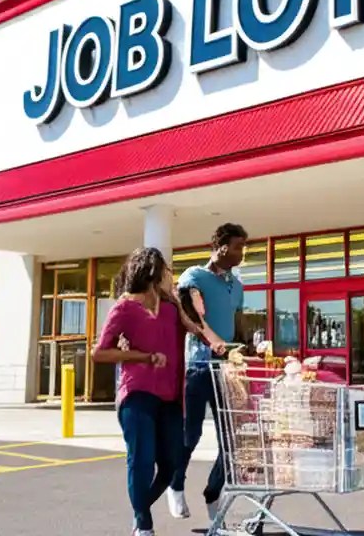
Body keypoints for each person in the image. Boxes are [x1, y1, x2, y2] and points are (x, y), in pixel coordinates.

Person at [92, 247, 186, 536]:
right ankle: (144, 524)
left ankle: (139, 510)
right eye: (165, 271)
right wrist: (143, 357)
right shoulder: (124, 308)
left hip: (170, 396)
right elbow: (100, 352)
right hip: (137, 393)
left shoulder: (171, 309)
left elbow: (192, 330)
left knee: (171, 465)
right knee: (142, 460)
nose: (169, 276)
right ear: (152, 274)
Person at [167, 222, 247, 522]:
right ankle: (175, 484)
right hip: (199, 368)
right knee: (191, 434)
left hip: (227, 371)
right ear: (222, 247)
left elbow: (238, 324)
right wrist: (215, 344)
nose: (242, 253)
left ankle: (213, 494)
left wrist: (246, 349)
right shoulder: (194, 276)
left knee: (231, 439)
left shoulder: (237, 286)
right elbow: (192, 316)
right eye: (238, 247)